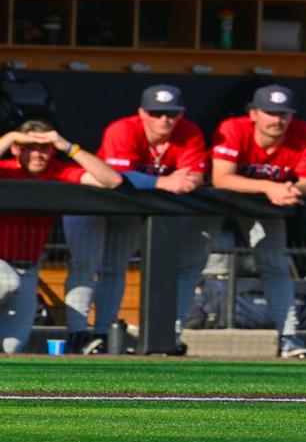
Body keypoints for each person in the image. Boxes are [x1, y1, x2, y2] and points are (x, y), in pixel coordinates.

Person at [60, 84, 207, 355]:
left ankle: (103, 333)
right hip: (93, 202)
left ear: (181, 114)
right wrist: (164, 181)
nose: (164, 119)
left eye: (171, 113)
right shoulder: (124, 129)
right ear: (142, 113)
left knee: (115, 268)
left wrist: (189, 179)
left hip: (129, 209)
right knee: (85, 264)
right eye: (156, 112)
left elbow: (194, 172)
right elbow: (118, 179)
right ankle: (77, 332)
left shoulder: (189, 133)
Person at [209, 85, 306, 359]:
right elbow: (221, 178)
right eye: (270, 113)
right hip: (215, 202)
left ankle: (289, 337)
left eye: (283, 114)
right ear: (254, 114)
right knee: (192, 261)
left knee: (275, 266)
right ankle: (173, 333)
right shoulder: (233, 128)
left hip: (264, 204)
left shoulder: (303, 132)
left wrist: (295, 190)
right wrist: (270, 188)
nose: (277, 120)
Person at [1, 121, 123, 354]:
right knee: (6, 281)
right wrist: (11, 136)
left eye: (44, 147)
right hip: (1, 265)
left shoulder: (57, 170)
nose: (37, 154)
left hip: (29, 269)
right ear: (17, 149)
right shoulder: (6, 167)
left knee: (12, 347)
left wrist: (67, 146)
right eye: (29, 147)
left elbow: (111, 181)